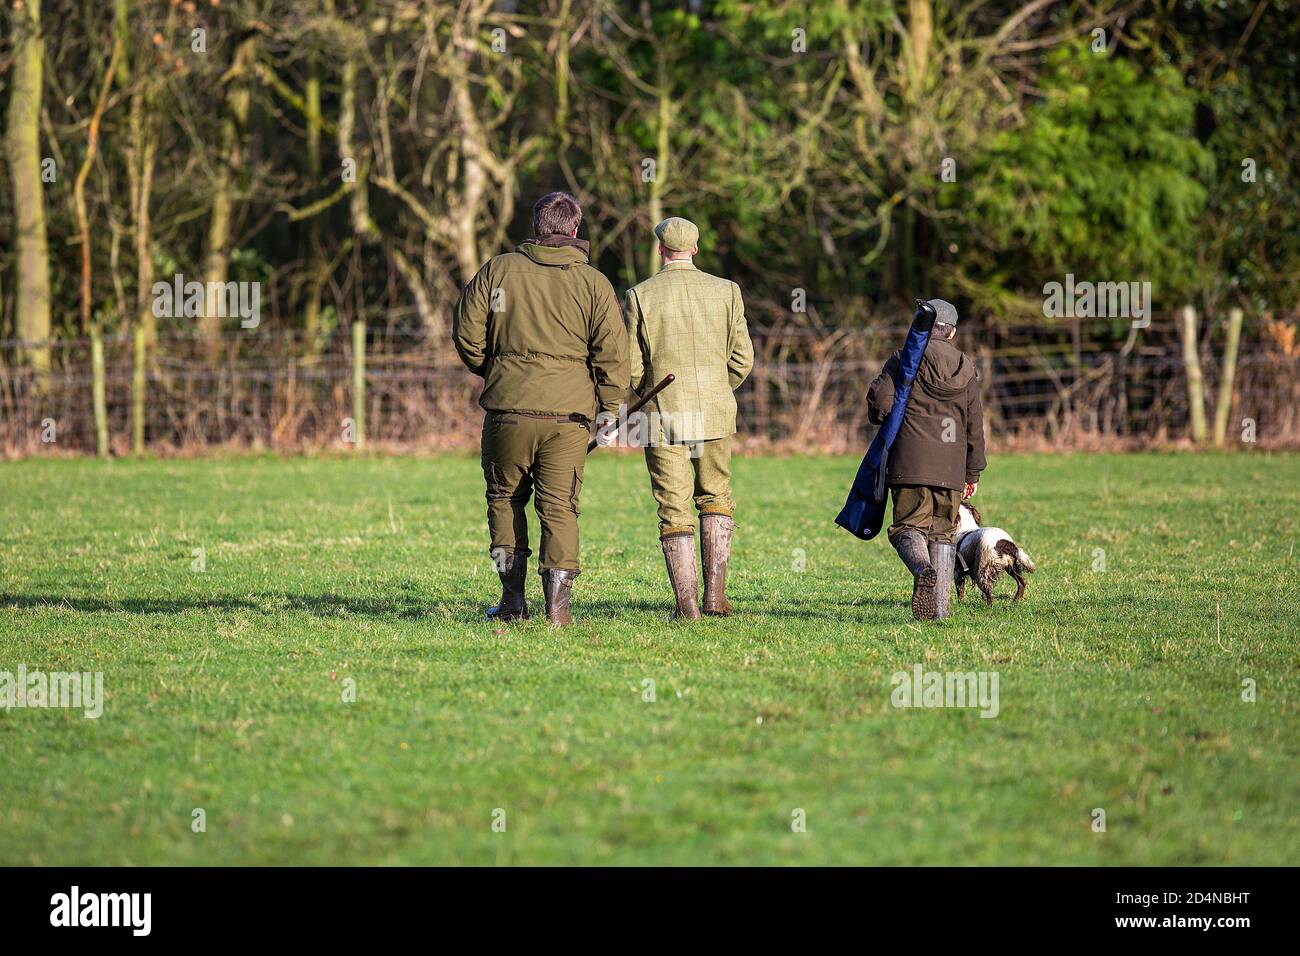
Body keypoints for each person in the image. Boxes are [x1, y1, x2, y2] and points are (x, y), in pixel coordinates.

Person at [453, 191, 628, 625]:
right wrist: (610, 409)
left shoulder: (498, 271)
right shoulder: (594, 284)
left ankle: (512, 601)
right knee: (560, 507)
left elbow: (467, 335)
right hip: (568, 418)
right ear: (574, 230)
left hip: (507, 413)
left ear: (536, 227)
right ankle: (558, 609)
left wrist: (498, 371)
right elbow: (613, 355)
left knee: (504, 500)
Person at [624, 217, 754, 620]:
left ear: (660, 249)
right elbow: (742, 359)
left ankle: (687, 607)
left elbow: (631, 367)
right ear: (695, 249)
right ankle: (715, 597)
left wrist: (646, 394)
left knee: (673, 508)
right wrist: (717, 387)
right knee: (716, 496)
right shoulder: (727, 291)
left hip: (660, 415)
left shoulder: (639, 295)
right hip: (716, 411)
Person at [866, 299, 986, 620]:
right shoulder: (966, 367)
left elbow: (880, 405)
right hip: (951, 469)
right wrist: (971, 472)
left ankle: (921, 569)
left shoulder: (904, 358)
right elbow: (974, 424)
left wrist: (879, 389)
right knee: (943, 534)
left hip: (910, 465)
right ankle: (939, 611)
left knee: (907, 527)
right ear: (952, 332)